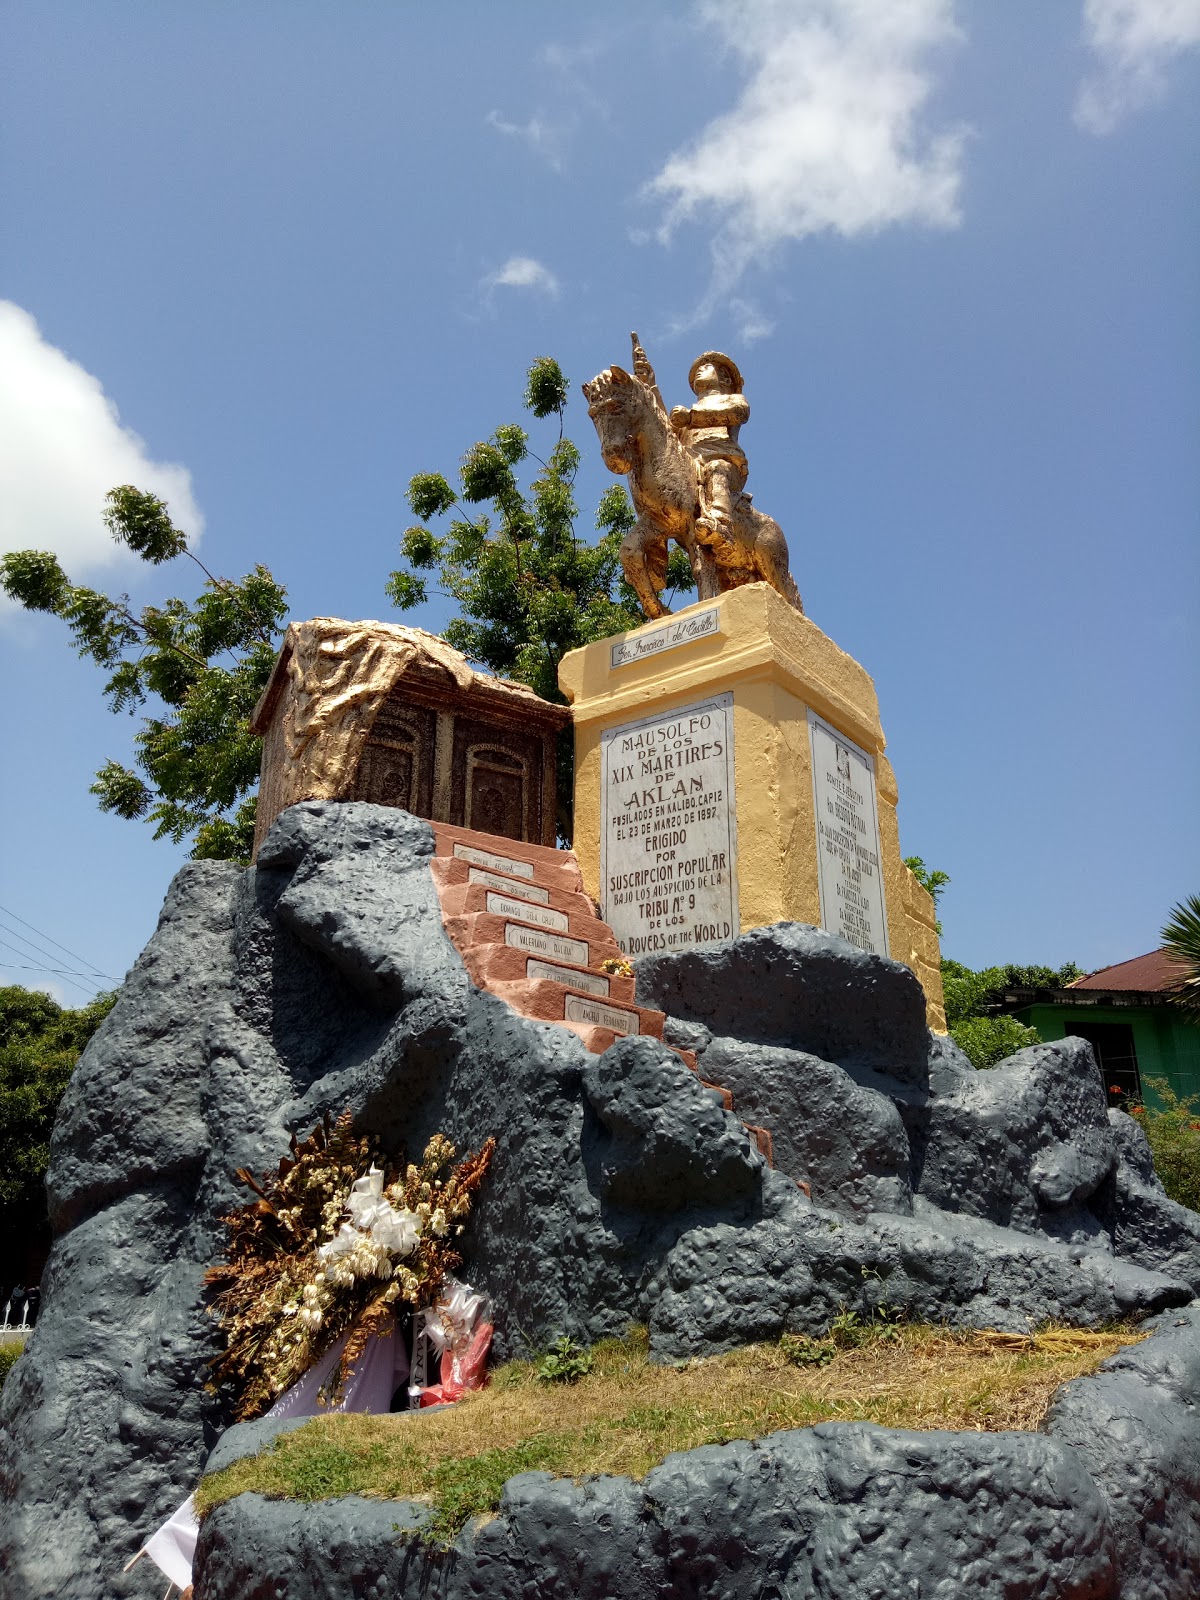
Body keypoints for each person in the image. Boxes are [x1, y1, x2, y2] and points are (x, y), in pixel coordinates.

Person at [668, 352, 750, 545]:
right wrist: (649, 384)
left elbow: (738, 413)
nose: (698, 371)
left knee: (716, 468)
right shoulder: (686, 413)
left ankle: (721, 522)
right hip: (690, 465)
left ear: (725, 378)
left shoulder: (733, 400)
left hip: (723, 461)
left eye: (705, 367)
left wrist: (691, 418)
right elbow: (665, 432)